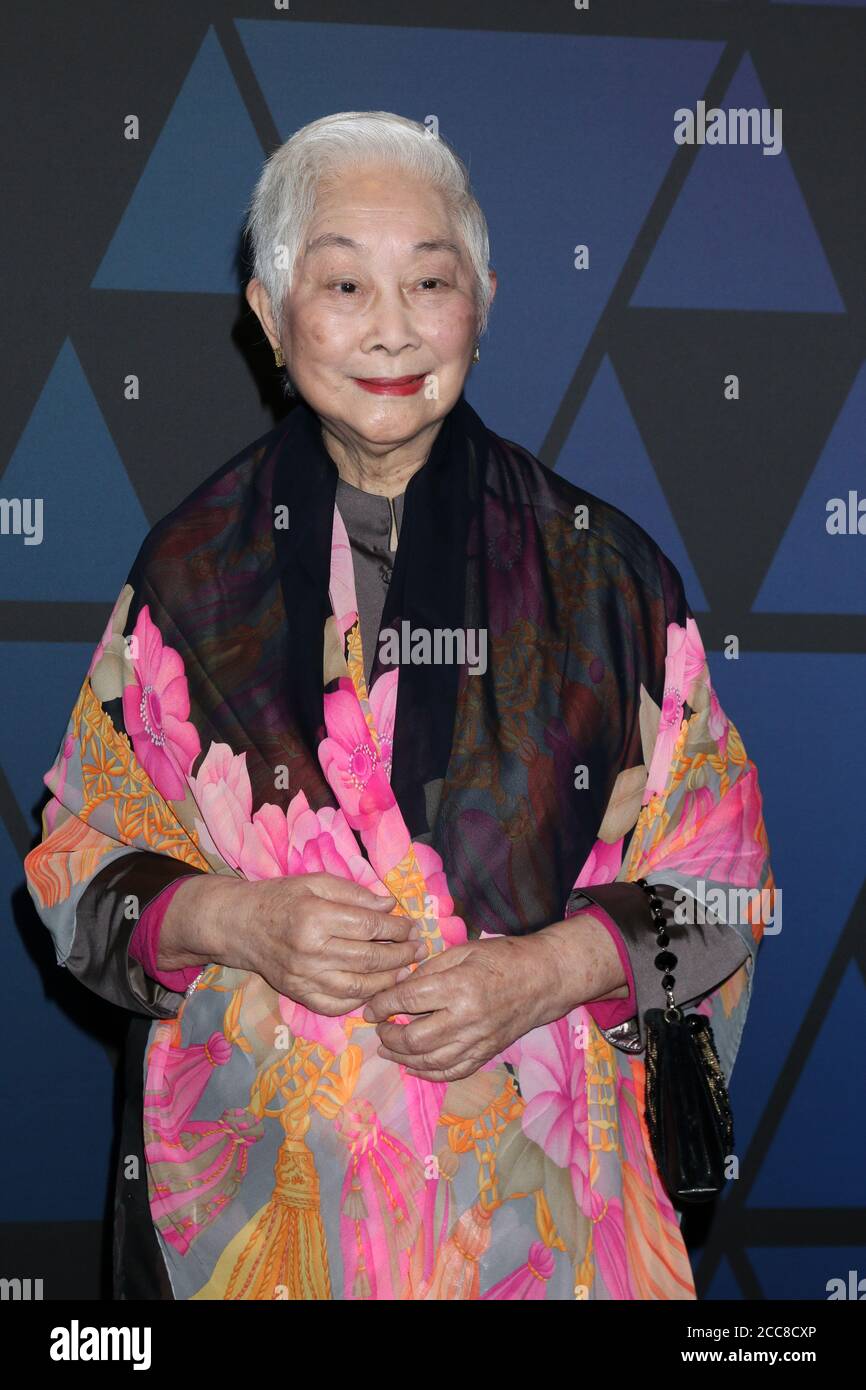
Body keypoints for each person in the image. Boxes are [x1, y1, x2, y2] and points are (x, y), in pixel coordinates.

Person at [24, 111, 773, 1301]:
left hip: (542, 1239)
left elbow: (728, 892)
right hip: (266, 1235)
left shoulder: (607, 576)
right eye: (340, 282)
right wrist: (235, 918)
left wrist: (545, 972)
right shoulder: (188, 576)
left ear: (480, 301)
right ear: (270, 318)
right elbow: (74, 865)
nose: (388, 326)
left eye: (428, 280)